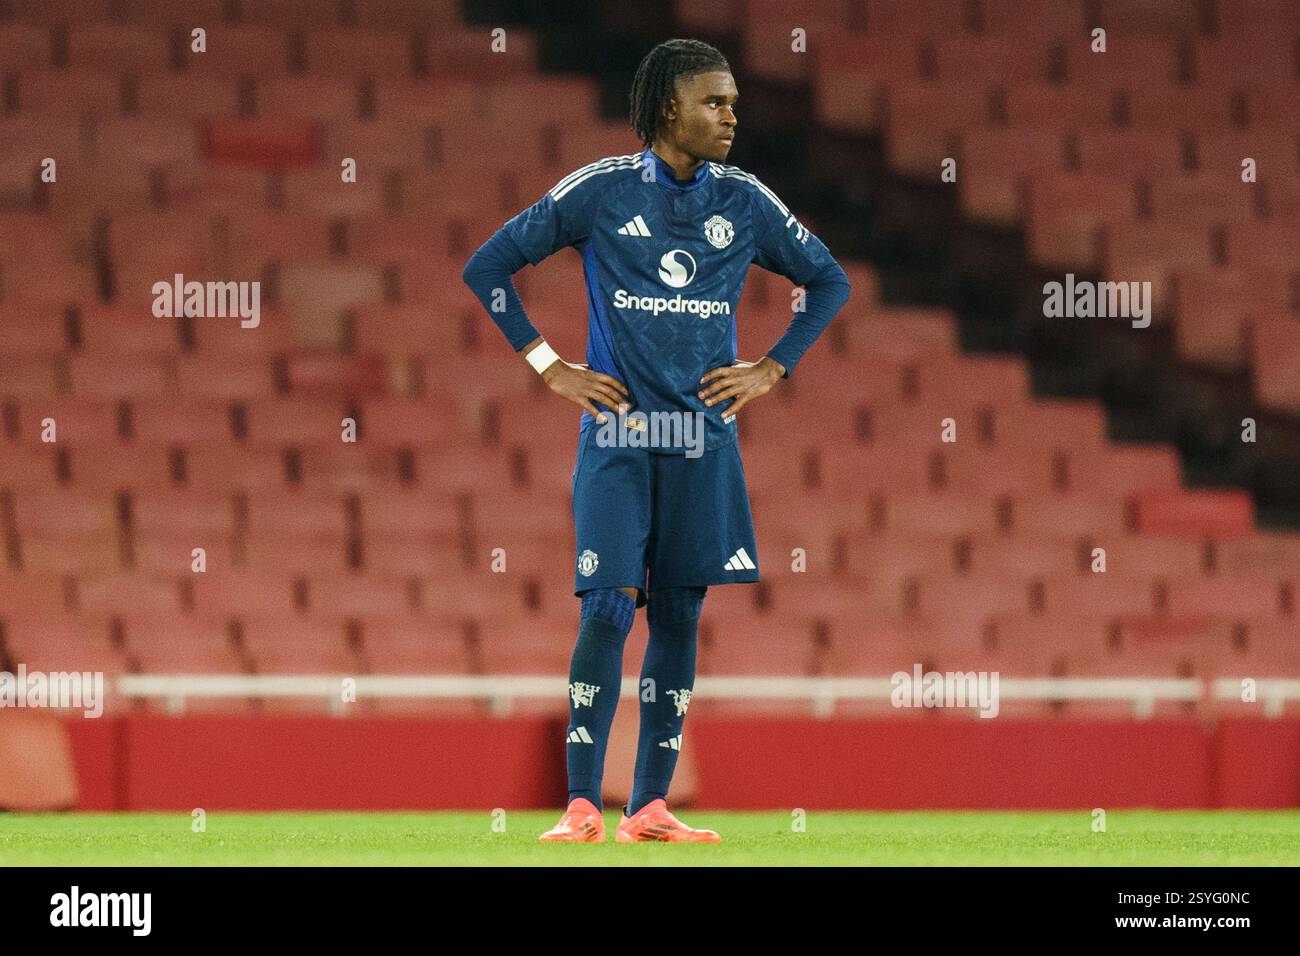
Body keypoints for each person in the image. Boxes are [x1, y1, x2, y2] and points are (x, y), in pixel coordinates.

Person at [462, 38, 851, 842]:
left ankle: (648, 806)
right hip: (619, 438)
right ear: (669, 105)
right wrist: (549, 365)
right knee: (607, 607)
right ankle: (579, 806)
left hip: (702, 443)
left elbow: (829, 281)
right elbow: (489, 267)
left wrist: (771, 370)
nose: (731, 117)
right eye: (716, 102)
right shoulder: (600, 193)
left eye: (734, 103)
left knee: (678, 614)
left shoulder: (743, 200)